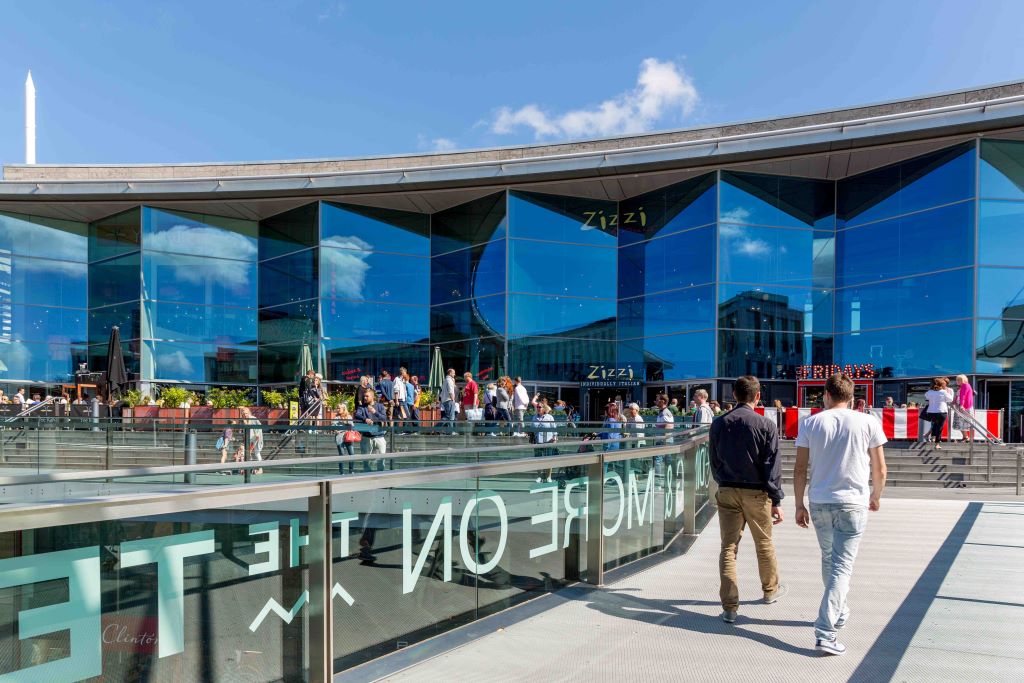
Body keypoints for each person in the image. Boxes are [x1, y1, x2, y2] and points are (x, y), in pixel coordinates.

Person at [793, 373, 887, 656]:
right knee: (841, 566)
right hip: (852, 502)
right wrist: (876, 495)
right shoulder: (869, 422)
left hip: (820, 500)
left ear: (826, 394)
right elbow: (880, 469)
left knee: (831, 561)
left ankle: (840, 609)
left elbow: (799, 469)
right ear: (852, 395)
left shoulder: (810, 423)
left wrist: (799, 504)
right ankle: (825, 630)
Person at [709, 375, 783, 624]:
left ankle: (729, 607)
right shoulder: (766, 425)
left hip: (728, 489)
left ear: (734, 396)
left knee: (728, 548)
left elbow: (714, 460)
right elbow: (772, 466)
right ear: (758, 395)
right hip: (756, 492)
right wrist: (776, 499)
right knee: (764, 543)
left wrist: (723, 481)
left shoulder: (719, 424)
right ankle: (769, 592)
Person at [354, 389, 388, 468]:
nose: (365, 398)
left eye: (367, 396)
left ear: (372, 397)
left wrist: (374, 412)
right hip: (366, 436)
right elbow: (357, 415)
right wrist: (365, 419)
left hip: (379, 436)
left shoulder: (380, 406)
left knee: (381, 460)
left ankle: (380, 476)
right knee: (366, 460)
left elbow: (384, 418)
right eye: (364, 396)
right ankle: (367, 475)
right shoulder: (361, 407)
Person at [924, 377, 954, 448]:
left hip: (931, 412)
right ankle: (937, 443)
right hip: (941, 411)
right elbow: (950, 399)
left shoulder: (929, 392)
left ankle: (932, 437)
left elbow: (926, 397)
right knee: (939, 427)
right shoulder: (943, 392)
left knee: (935, 425)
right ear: (941, 385)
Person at [533, 403, 557, 483]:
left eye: (540, 407)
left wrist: (555, 438)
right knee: (538, 460)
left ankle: (548, 477)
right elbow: (532, 429)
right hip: (538, 441)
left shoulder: (549, 417)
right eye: (537, 407)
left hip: (548, 441)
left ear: (544, 408)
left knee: (549, 460)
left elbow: (554, 429)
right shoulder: (534, 417)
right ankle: (539, 477)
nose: (538, 408)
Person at [333, 403, 358, 474]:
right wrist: (336, 430)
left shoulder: (349, 416)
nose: (337, 410)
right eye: (337, 408)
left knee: (352, 454)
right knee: (341, 455)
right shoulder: (336, 417)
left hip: (348, 436)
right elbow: (333, 426)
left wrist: (347, 423)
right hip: (340, 437)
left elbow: (352, 426)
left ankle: (351, 470)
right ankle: (341, 472)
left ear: (344, 409)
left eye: (339, 408)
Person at [239, 407, 263, 475]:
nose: (245, 414)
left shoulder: (253, 418)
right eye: (243, 413)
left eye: (246, 413)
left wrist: (257, 435)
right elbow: (243, 430)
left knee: (256, 452)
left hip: (255, 438)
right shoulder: (242, 420)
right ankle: (248, 468)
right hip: (247, 438)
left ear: (248, 412)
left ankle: (260, 469)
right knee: (246, 453)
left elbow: (260, 426)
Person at [955, 374, 974, 442]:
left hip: (964, 407)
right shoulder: (961, 387)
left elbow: (963, 396)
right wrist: (954, 402)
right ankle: (965, 437)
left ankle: (966, 437)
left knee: (964, 422)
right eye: (957, 380)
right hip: (961, 407)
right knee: (960, 423)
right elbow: (958, 396)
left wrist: (961, 405)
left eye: (958, 380)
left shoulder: (965, 385)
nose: (957, 381)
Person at [440, 368, 458, 434]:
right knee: (449, 416)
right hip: (449, 400)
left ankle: (450, 431)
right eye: (453, 373)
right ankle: (437, 428)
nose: (454, 374)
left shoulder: (445, 380)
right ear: (450, 373)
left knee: (450, 416)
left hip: (445, 400)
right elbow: (451, 391)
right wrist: (453, 400)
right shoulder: (449, 380)